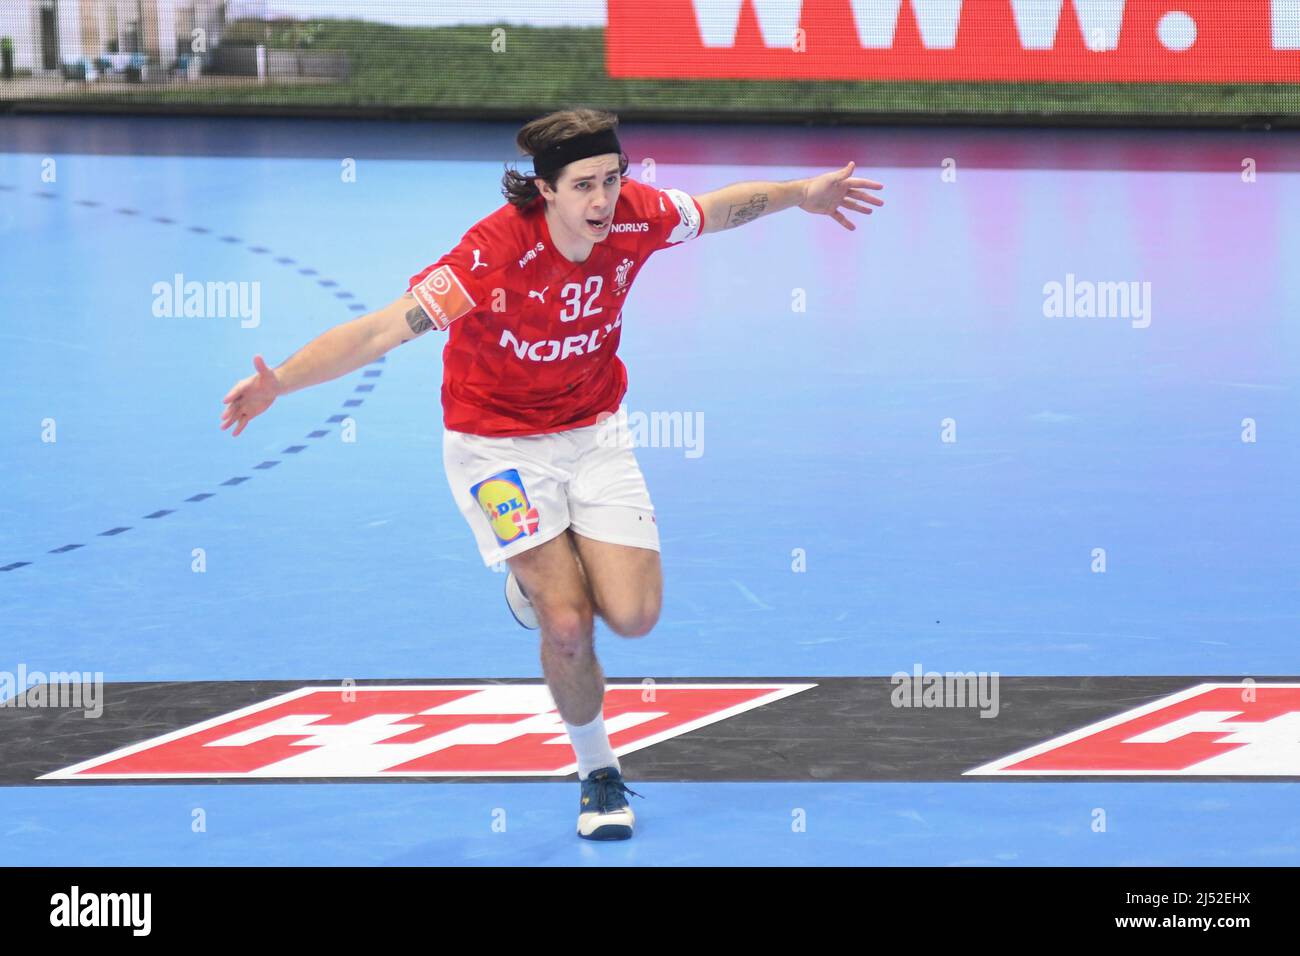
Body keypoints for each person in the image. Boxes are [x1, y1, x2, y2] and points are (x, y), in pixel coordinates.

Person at [220, 107, 883, 840]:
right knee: (567, 622)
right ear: (546, 190)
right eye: (584, 186)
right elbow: (383, 327)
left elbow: (718, 209)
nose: (602, 201)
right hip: (494, 448)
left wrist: (801, 194)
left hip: (595, 434)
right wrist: (279, 380)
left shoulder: (639, 216)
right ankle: (598, 771)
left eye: (612, 179)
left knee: (633, 616)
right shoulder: (490, 255)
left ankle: (533, 575)